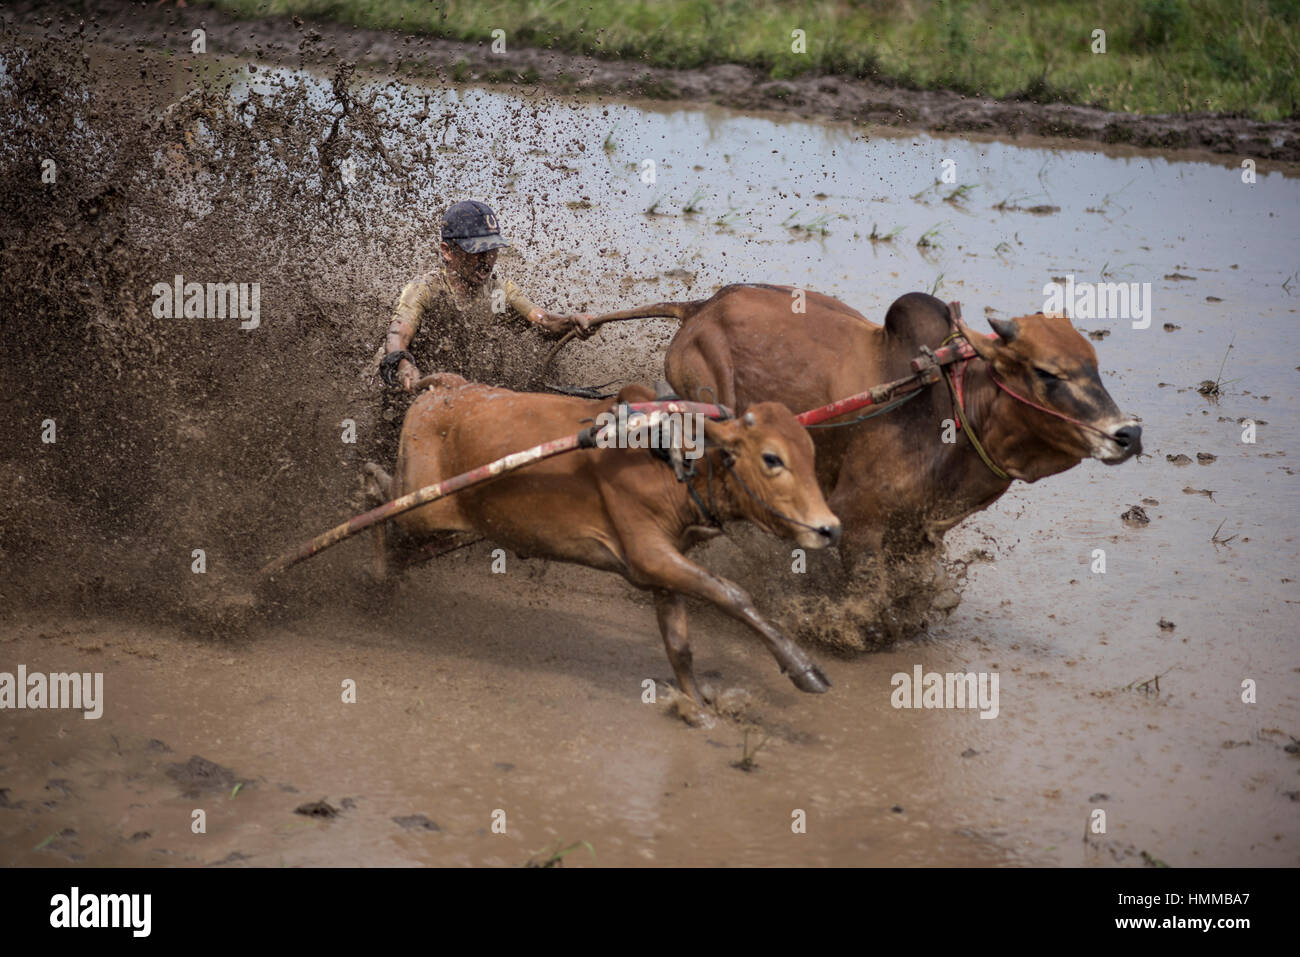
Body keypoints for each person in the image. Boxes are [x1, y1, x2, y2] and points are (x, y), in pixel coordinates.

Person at [375, 200, 595, 394]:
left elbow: (544, 320)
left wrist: (572, 322)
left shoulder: (500, 291)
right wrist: (403, 365)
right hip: (407, 383)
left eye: (492, 250)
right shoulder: (426, 289)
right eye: (477, 252)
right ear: (447, 251)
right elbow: (398, 335)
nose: (487, 261)